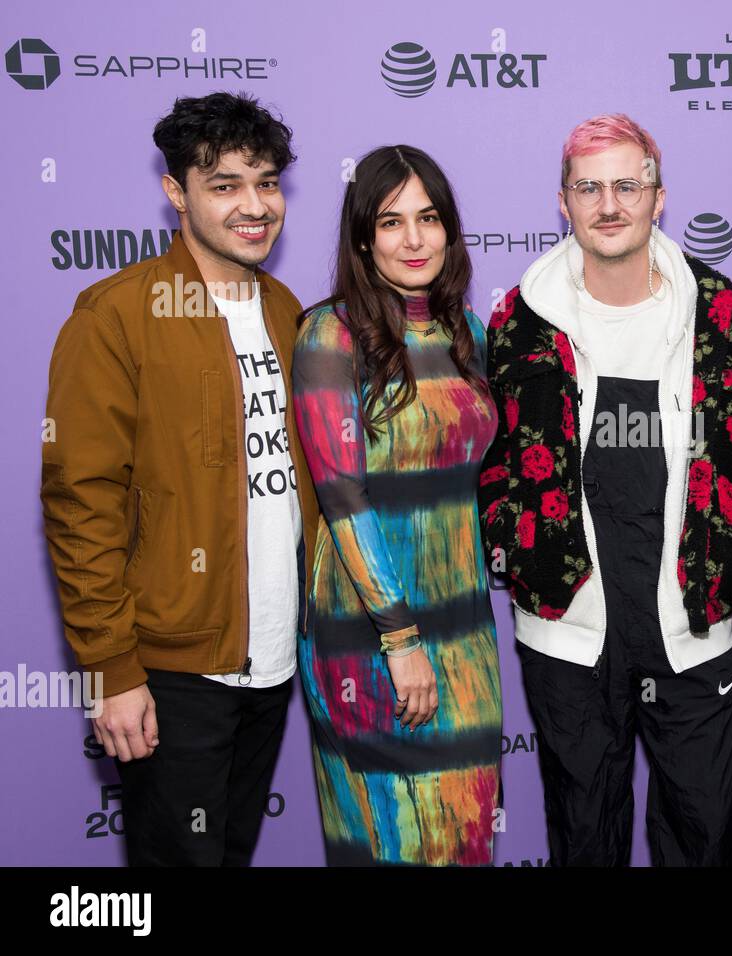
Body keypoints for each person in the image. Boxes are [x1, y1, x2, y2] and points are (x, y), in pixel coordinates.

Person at [477, 114, 732, 866]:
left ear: (657, 196)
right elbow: (497, 460)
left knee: (703, 839)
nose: (608, 204)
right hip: (570, 632)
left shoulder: (718, 310)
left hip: (691, 623)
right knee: (585, 840)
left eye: (625, 185)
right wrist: (517, 550)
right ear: (563, 202)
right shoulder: (521, 320)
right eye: (588, 188)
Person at [41, 92, 318, 865]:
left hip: (273, 657)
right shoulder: (116, 314)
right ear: (177, 193)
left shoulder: (286, 310)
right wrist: (111, 671)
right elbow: (80, 503)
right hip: (171, 668)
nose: (254, 206)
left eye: (266, 183)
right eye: (225, 185)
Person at [293, 145, 501, 866]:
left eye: (429, 218)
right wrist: (401, 637)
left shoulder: (470, 337)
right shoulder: (331, 334)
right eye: (391, 222)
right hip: (372, 631)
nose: (414, 239)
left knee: (466, 839)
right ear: (363, 238)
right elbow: (342, 495)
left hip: (466, 623)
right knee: (396, 844)